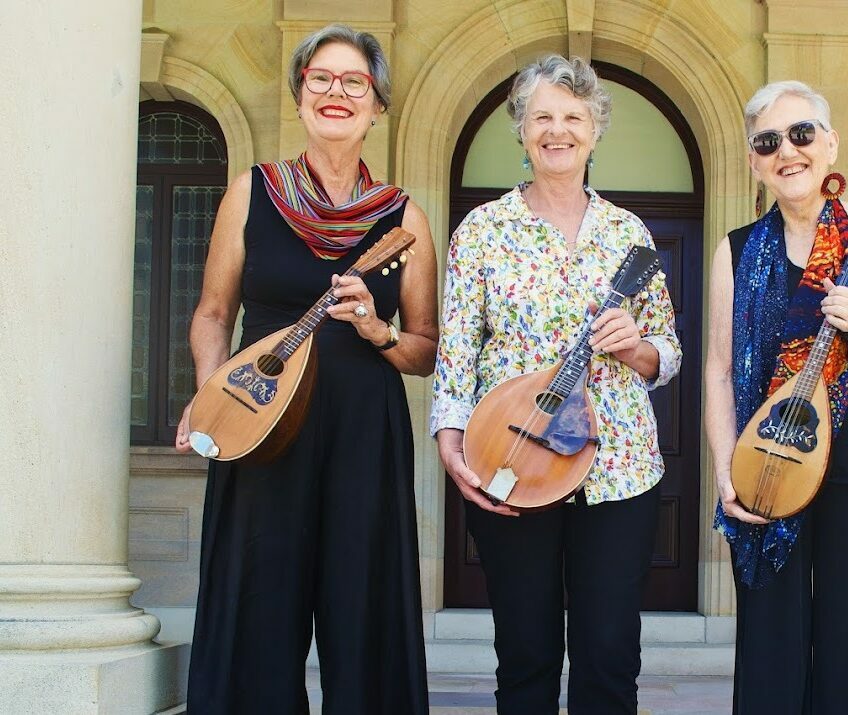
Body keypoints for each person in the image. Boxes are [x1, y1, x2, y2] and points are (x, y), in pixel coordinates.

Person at [175, 24, 437, 714]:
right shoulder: (252, 192)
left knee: (362, 607)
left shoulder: (403, 216)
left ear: (377, 106)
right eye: (320, 78)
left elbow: (426, 349)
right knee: (257, 604)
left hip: (361, 434)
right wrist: (211, 393)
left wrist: (375, 327)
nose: (336, 93)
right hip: (256, 427)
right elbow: (210, 313)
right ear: (299, 96)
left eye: (355, 82)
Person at [430, 55, 681, 714]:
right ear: (520, 129)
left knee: (606, 653)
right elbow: (456, 352)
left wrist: (638, 348)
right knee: (525, 651)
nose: (557, 130)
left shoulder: (628, 233)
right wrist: (450, 444)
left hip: (618, 466)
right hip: (512, 456)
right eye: (542, 115)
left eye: (573, 117)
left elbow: (668, 352)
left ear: (594, 130)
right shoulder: (481, 231)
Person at [705, 80, 848, 714]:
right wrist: (728, 475)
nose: (789, 150)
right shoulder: (736, 250)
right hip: (769, 466)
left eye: (802, 133)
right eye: (769, 141)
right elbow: (719, 371)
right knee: (771, 642)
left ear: (830, 144)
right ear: (755, 161)